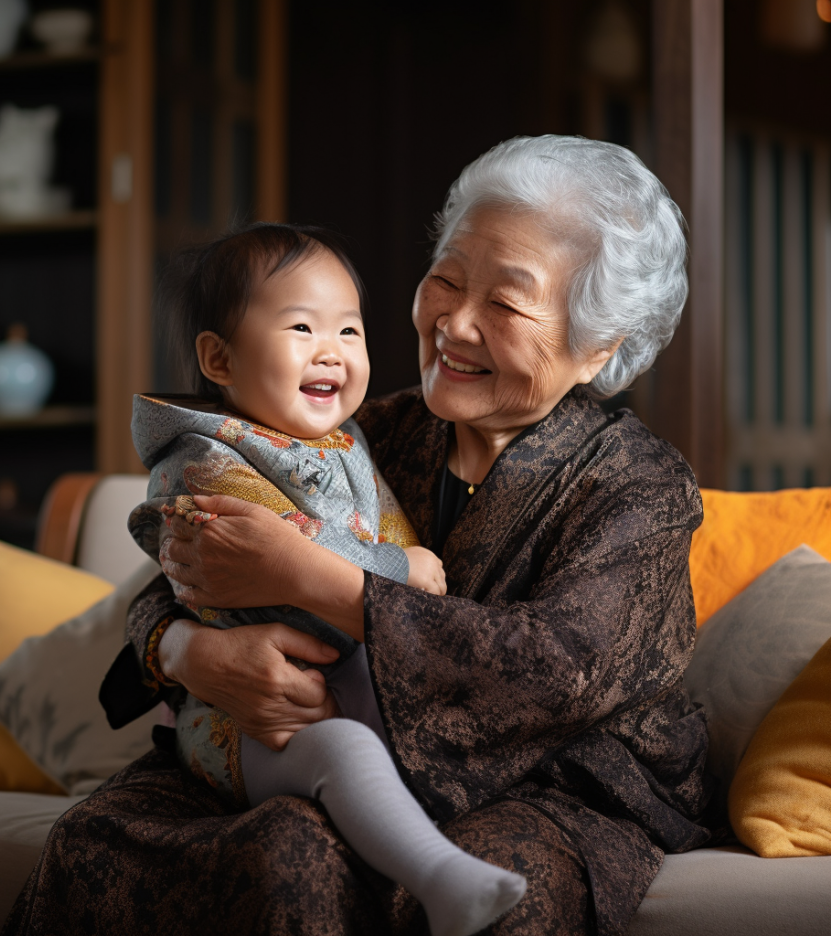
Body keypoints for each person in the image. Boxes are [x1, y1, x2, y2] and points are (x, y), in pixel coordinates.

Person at [4, 135, 713, 936]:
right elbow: (188, 558)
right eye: (446, 278)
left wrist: (313, 581)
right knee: (127, 844)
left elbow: (561, 670)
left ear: (598, 349)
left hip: (548, 780)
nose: (455, 322)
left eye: (506, 304)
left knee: (438, 884)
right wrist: (192, 655)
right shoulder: (360, 432)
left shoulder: (637, 484)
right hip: (319, 737)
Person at [121, 223, 527, 936]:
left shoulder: (343, 440)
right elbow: (278, 546)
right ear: (219, 357)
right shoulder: (202, 458)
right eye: (302, 326)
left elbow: (381, 527)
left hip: (346, 670)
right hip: (241, 721)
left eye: (349, 330)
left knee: (408, 716)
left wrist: (407, 575)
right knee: (344, 750)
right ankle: (443, 882)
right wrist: (402, 570)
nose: (331, 351)